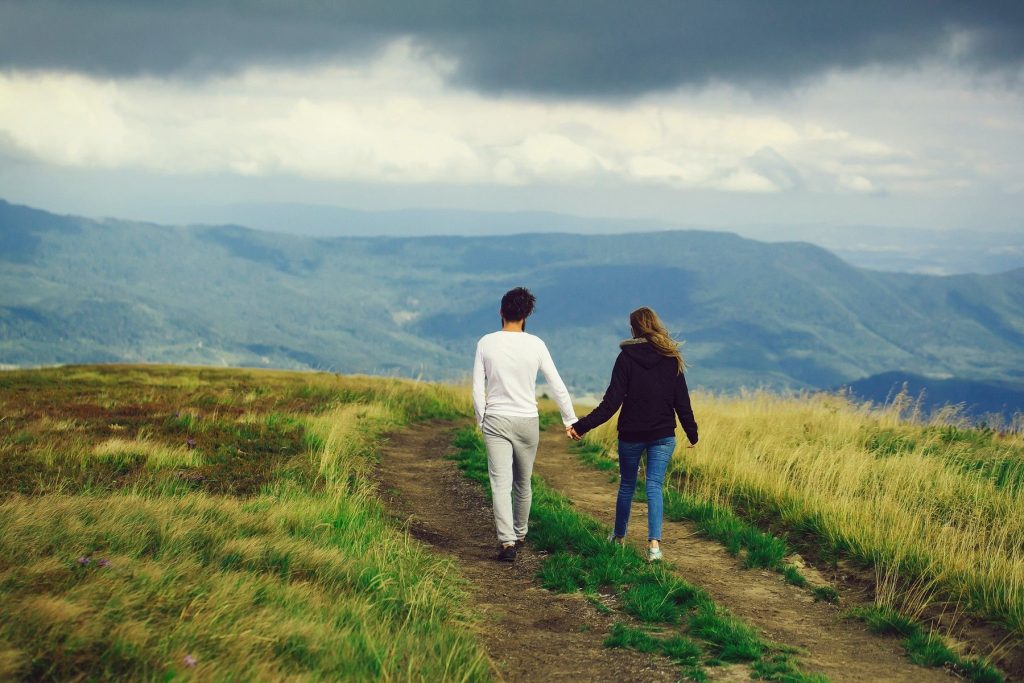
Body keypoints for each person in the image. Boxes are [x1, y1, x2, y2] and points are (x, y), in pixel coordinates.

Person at [567, 306, 698, 562]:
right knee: (654, 486)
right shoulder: (671, 357)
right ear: (655, 324)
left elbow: (611, 403)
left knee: (627, 485)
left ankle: (618, 538)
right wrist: (692, 433)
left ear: (634, 328)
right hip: (663, 434)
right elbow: (682, 401)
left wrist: (581, 426)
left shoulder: (626, 358)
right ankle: (654, 547)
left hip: (631, 434)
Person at [473, 287, 578, 562]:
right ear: (526, 314)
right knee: (523, 482)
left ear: (501, 312)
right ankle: (519, 535)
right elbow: (557, 385)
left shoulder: (485, 342)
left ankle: (506, 543)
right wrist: (570, 420)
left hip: (496, 418)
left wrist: (481, 419)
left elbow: (476, 387)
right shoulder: (536, 344)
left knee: (500, 483)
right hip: (527, 420)